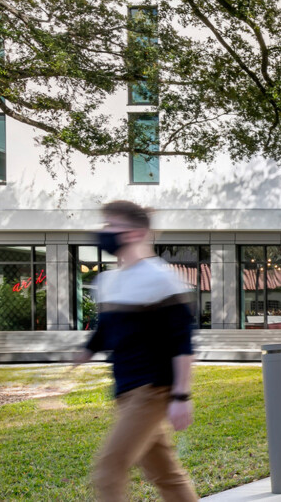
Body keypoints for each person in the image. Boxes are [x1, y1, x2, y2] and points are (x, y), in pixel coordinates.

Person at [74, 200, 198, 502]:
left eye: (112, 225)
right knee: (165, 474)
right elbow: (105, 331)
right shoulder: (108, 280)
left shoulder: (161, 277)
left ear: (135, 232)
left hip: (152, 389)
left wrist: (181, 396)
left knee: (108, 469)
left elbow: (183, 342)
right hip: (125, 391)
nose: (105, 232)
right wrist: (81, 355)